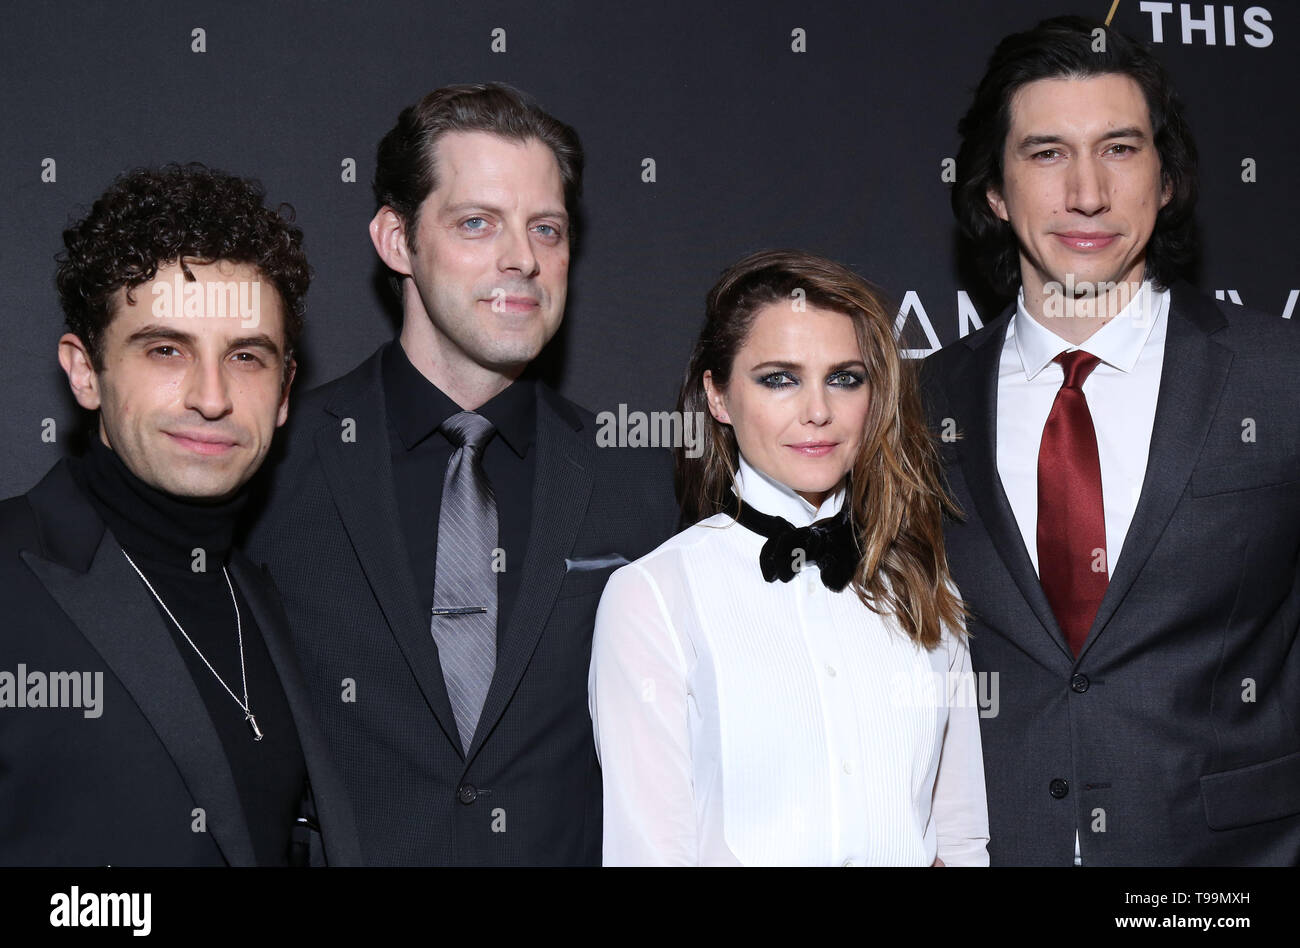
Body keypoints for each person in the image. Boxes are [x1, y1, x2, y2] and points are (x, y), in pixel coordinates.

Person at [241, 83, 678, 865]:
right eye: (477, 223)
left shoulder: (640, 483)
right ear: (397, 240)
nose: (522, 258)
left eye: (546, 228)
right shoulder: (269, 461)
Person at [923, 15, 1300, 865]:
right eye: (1047, 153)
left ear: (1166, 179)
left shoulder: (1281, 377)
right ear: (993, 190)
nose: (1086, 192)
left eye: (1121, 149)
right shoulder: (915, 405)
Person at [0, 163, 360, 865]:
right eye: (166, 350)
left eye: (247, 357)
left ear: (285, 391)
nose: (213, 396)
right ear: (84, 370)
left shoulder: (265, 596)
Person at [589, 249, 989, 866]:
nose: (818, 411)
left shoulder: (926, 585)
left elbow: (961, 839)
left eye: (845, 378)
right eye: (779, 378)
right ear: (718, 397)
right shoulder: (655, 597)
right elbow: (649, 854)